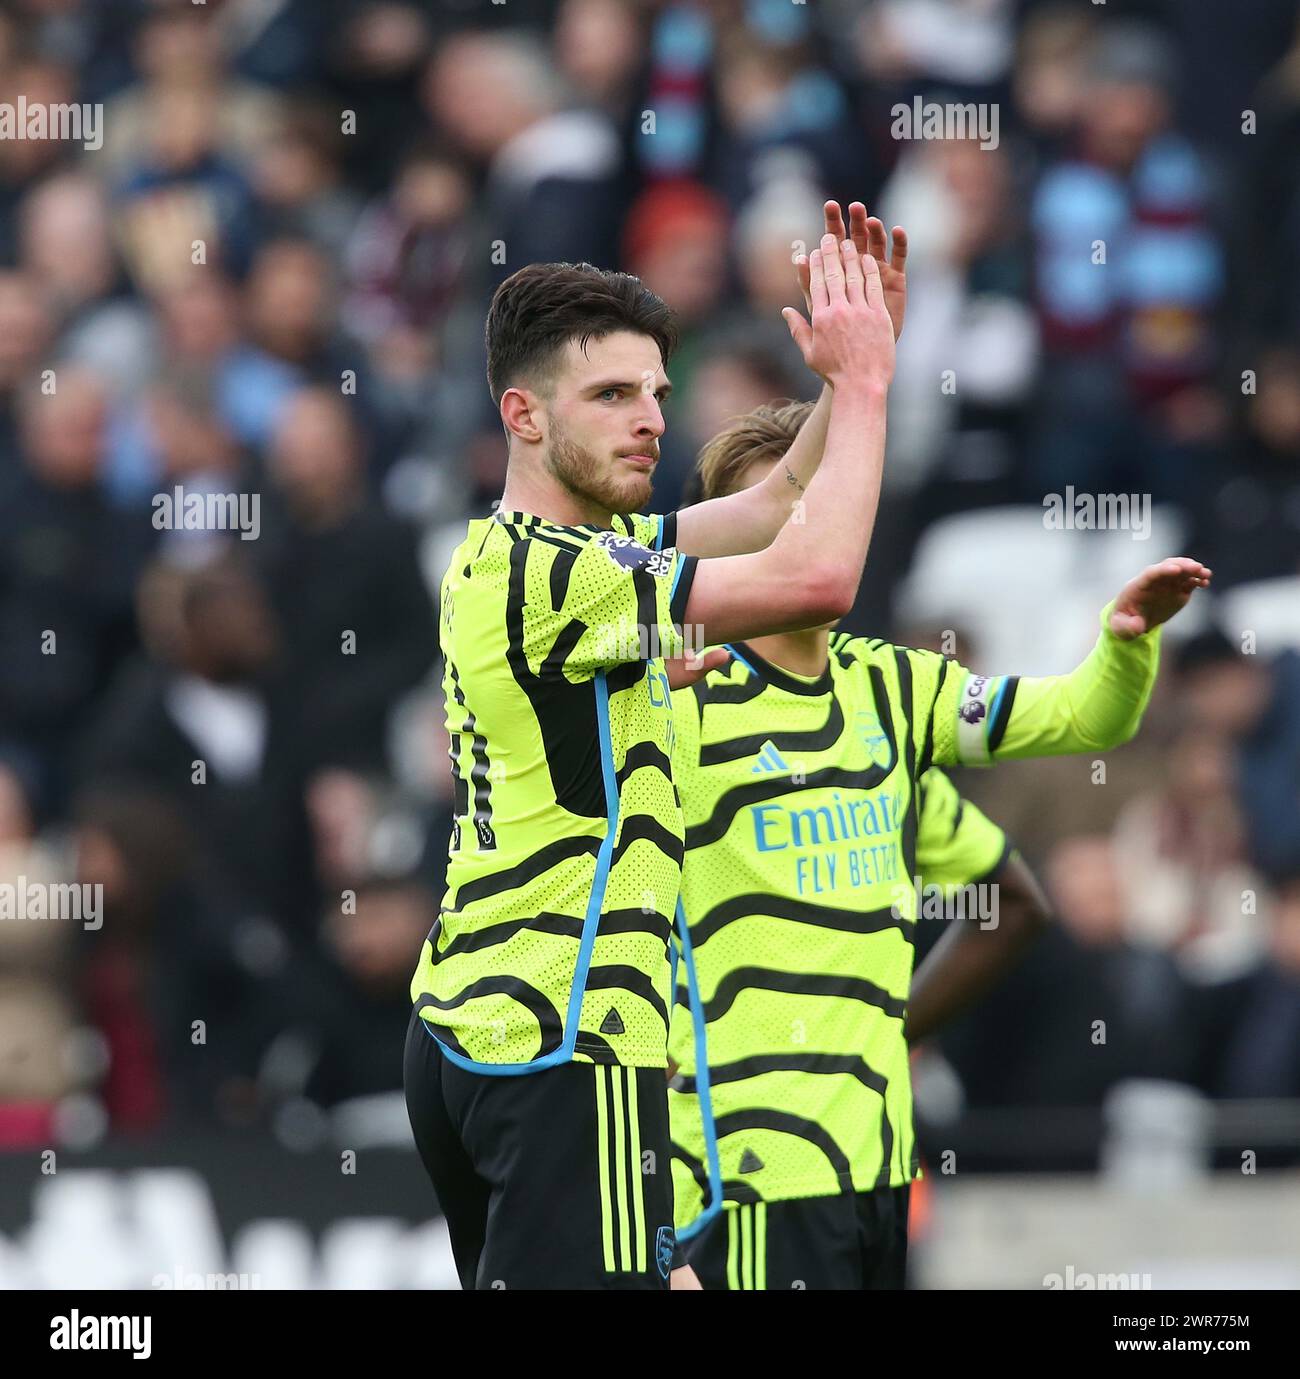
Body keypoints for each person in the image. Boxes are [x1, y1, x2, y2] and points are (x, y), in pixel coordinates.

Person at [663, 281, 1210, 1287]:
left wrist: (1122, 644)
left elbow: (1076, 718)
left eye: (814, 493)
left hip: (878, 1164)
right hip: (740, 1176)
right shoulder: (675, 708)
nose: (795, 523)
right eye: (768, 505)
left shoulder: (891, 689)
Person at [404, 211, 898, 1290]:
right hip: (565, 1031)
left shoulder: (530, 555)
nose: (649, 421)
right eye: (612, 395)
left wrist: (841, 375)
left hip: (481, 1022)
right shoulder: (569, 574)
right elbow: (814, 576)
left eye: (658, 395)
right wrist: (863, 392)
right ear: (521, 415)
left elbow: (771, 504)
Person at [670, 766, 1050, 1288]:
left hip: (745, 1180)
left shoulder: (675, 724)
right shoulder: (888, 731)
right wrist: (871, 1034)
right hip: (860, 1180)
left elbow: (1014, 905)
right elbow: (1015, 903)